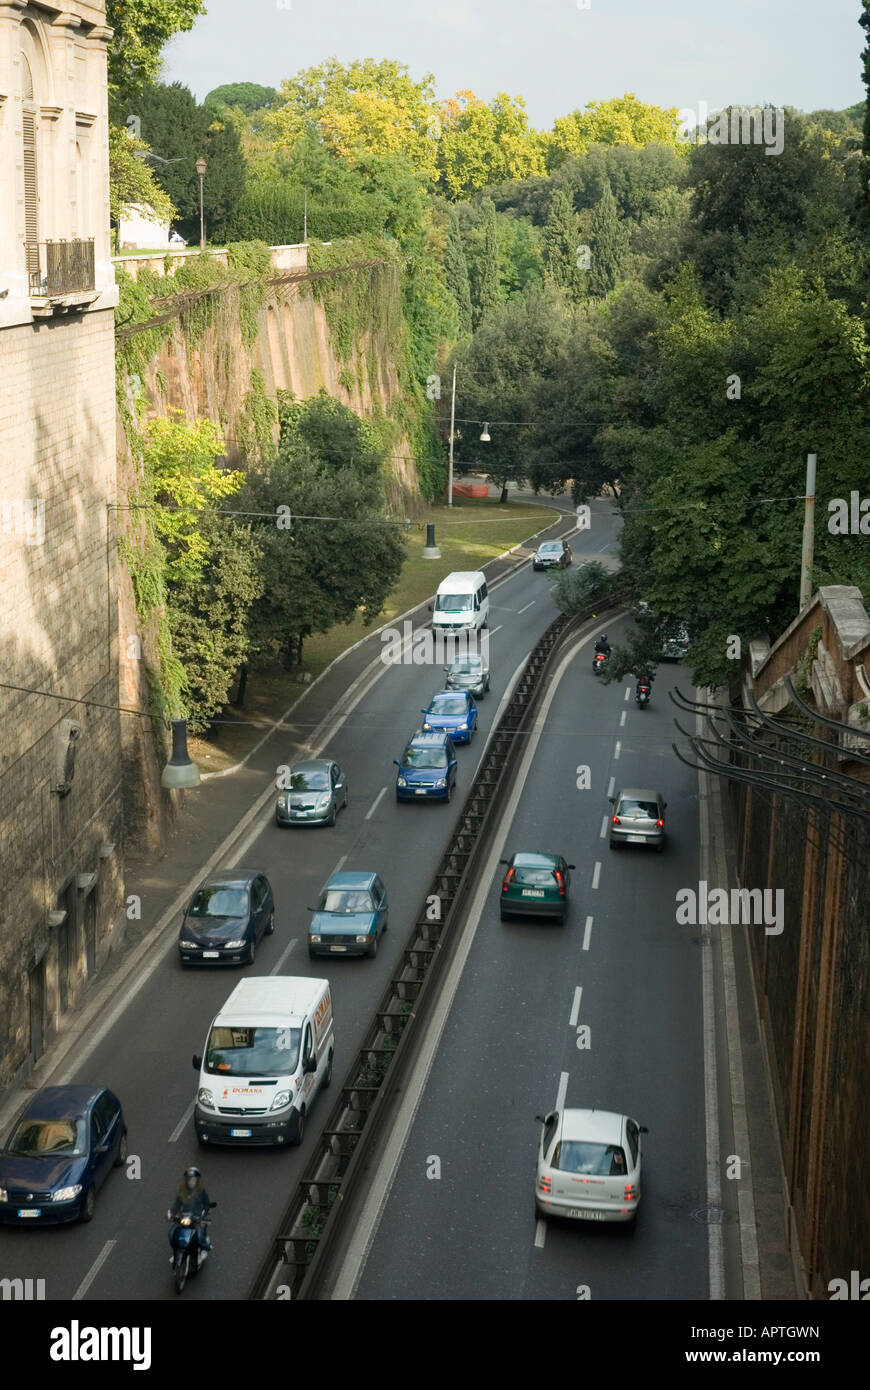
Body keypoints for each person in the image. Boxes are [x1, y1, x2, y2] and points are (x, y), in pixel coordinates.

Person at [170, 1166, 213, 1254]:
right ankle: (176, 1252)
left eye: (193, 1180)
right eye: (189, 1179)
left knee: (200, 1236)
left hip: (197, 1217)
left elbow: (206, 1204)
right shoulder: (182, 1191)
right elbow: (177, 1204)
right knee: (171, 1234)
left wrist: (204, 1214)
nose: (191, 1182)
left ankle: (206, 1249)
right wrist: (172, 1213)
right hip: (184, 1217)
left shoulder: (201, 1191)